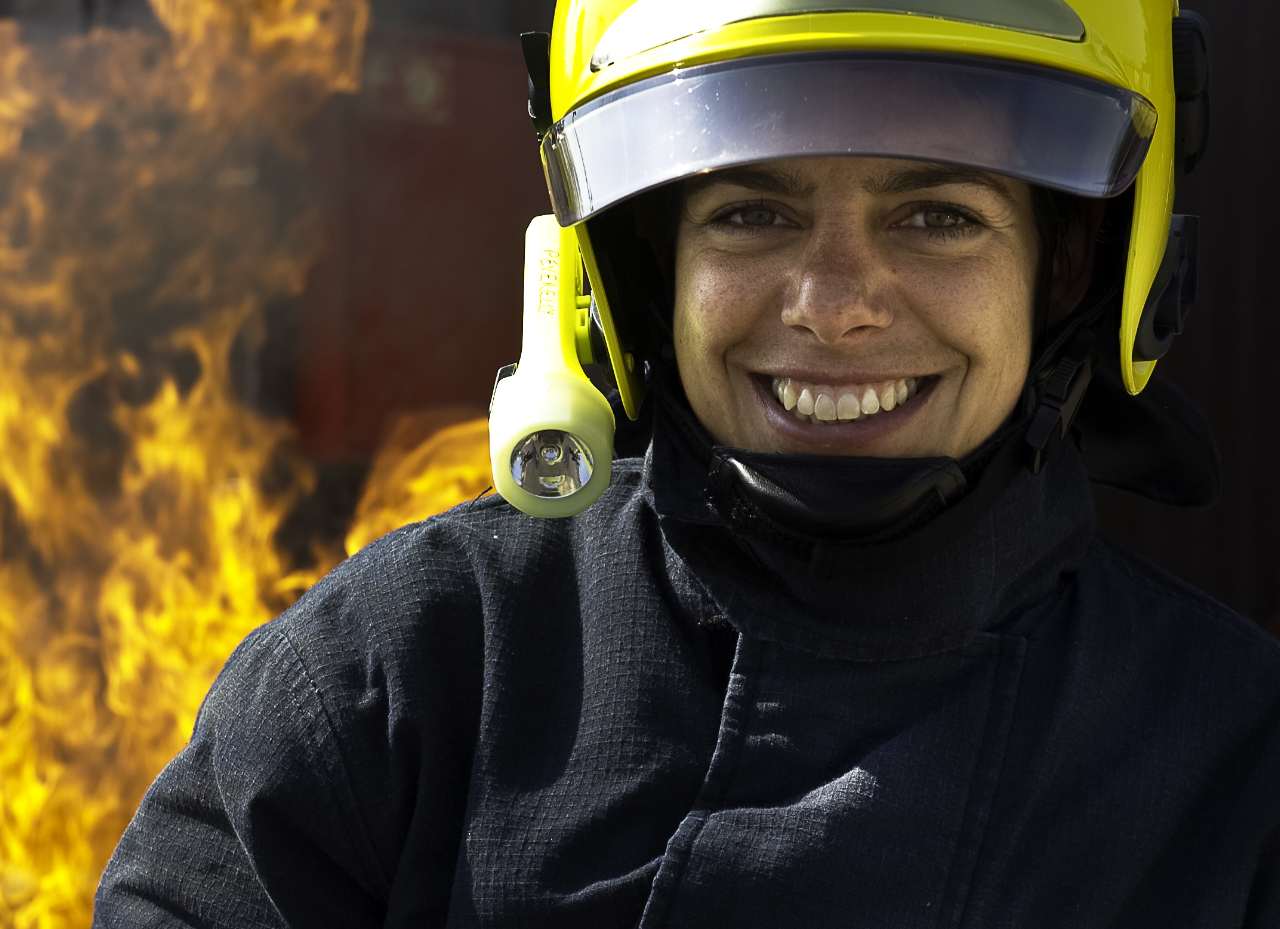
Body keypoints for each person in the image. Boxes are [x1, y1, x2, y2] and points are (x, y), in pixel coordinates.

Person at [95, 1, 1280, 927]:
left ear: (1071, 274)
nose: (831, 306)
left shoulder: (1237, 764)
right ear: (643, 274)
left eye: (937, 216)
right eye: (750, 214)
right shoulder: (402, 669)